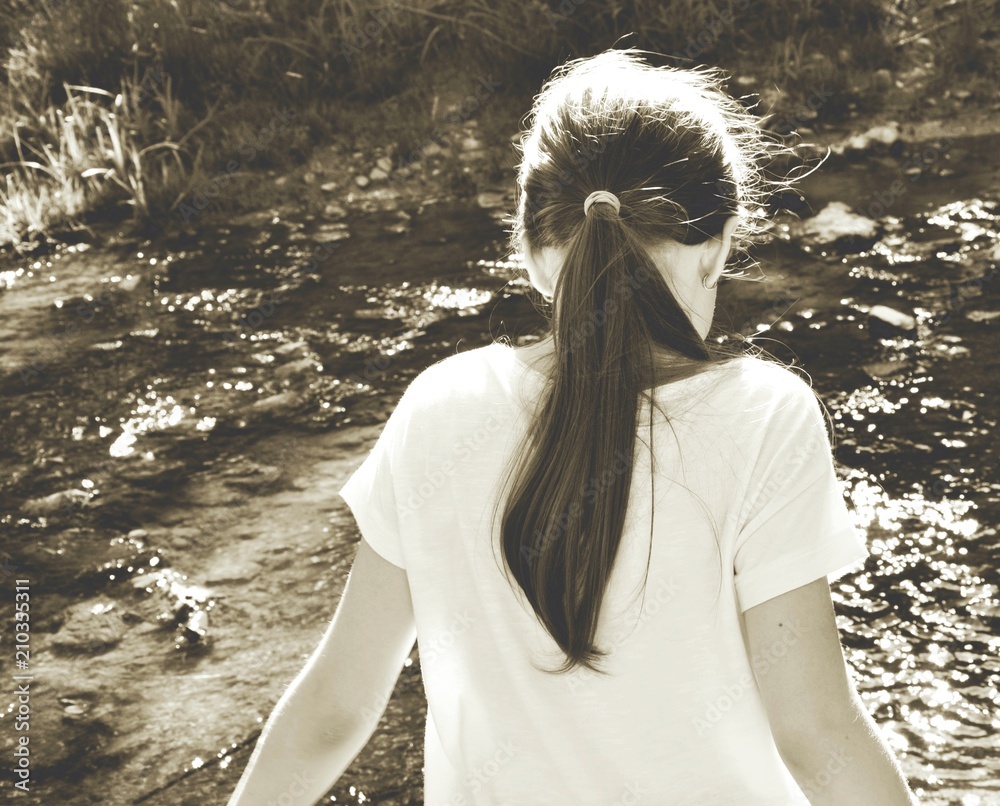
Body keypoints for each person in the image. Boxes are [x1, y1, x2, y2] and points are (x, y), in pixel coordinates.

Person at [228, 49, 919, 805]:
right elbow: (815, 735)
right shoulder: (764, 417)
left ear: (528, 253)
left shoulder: (439, 407)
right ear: (719, 249)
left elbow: (335, 708)